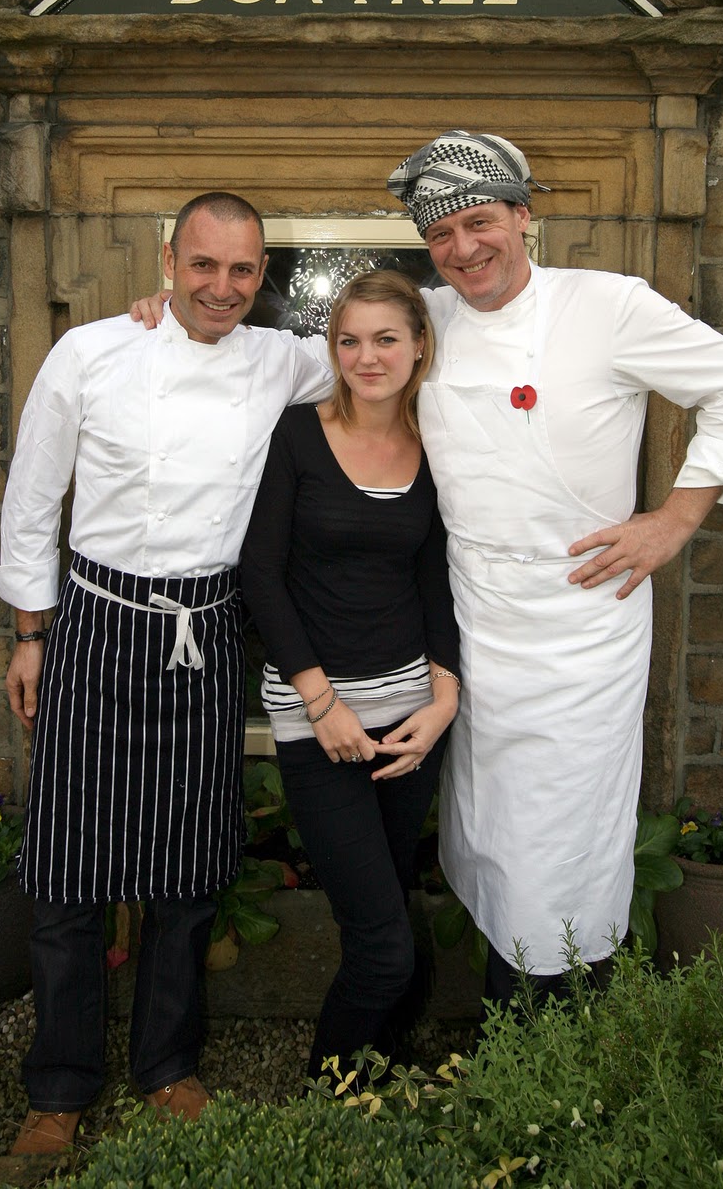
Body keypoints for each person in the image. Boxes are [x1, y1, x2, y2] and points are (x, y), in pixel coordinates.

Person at [384, 130, 723, 1008]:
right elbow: (320, 368)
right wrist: (179, 320)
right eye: (439, 235)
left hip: (580, 624)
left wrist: (674, 520)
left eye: (480, 222)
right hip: (475, 620)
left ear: (524, 218)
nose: (462, 249)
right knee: (490, 833)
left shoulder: (607, 306)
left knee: (558, 847)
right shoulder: (426, 318)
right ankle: (511, 1040)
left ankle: (555, 1049)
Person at [0, 192, 333, 1155]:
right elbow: (33, 491)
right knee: (65, 870)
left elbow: (381, 341)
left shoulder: (282, 360)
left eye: (243, 271)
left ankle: (167, 1067)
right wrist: (29, 630)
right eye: (203, 265)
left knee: (186, 871)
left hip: (207, 634)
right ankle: (57, 1087)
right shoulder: (93, 352)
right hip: (93, 627)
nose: (221, 288)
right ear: (169, 259)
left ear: (262, 277)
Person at [239, 271, 460, 1079]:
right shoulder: (298, 433)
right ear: (332, 349)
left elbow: (436, 576)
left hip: (410, 721)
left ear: (417, 348)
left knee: (389, 904)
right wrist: (322, 702)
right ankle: (327, 1098)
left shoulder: (435, 443)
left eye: (386, 339)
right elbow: (260, 574)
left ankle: (380, 1070)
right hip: (317, 721)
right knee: (381, 944)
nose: (367, 357)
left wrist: (444, 697)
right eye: (349, 340)